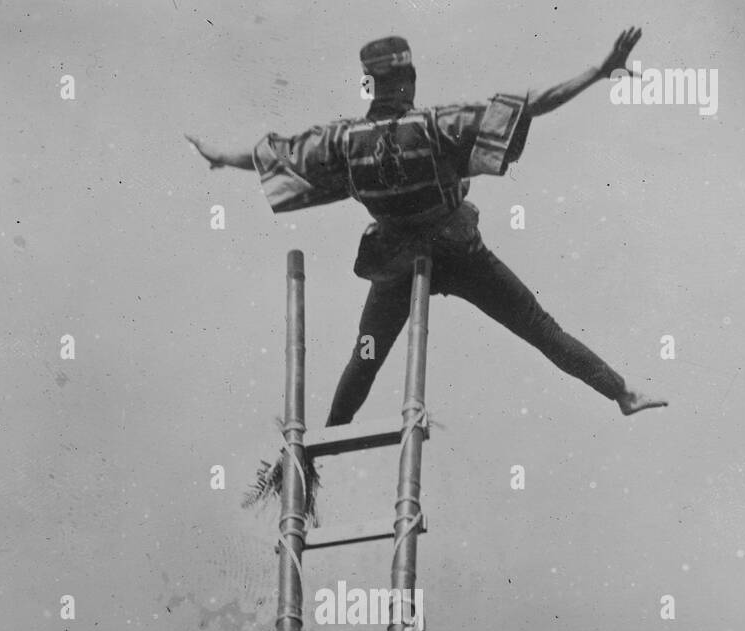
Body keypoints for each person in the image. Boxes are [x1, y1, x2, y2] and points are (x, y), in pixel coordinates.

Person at [187, 31, 667, 425]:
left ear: (370, 85)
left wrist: (221, 156)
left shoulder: (342, 141)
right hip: (456, 252)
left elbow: (275, 155)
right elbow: (530, 105)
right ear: (407, 81)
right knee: (538, 329)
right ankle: (620, 393)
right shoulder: (436, 125)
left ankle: (322, 444)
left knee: (366, 355)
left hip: (400, 260)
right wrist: (597, 72)